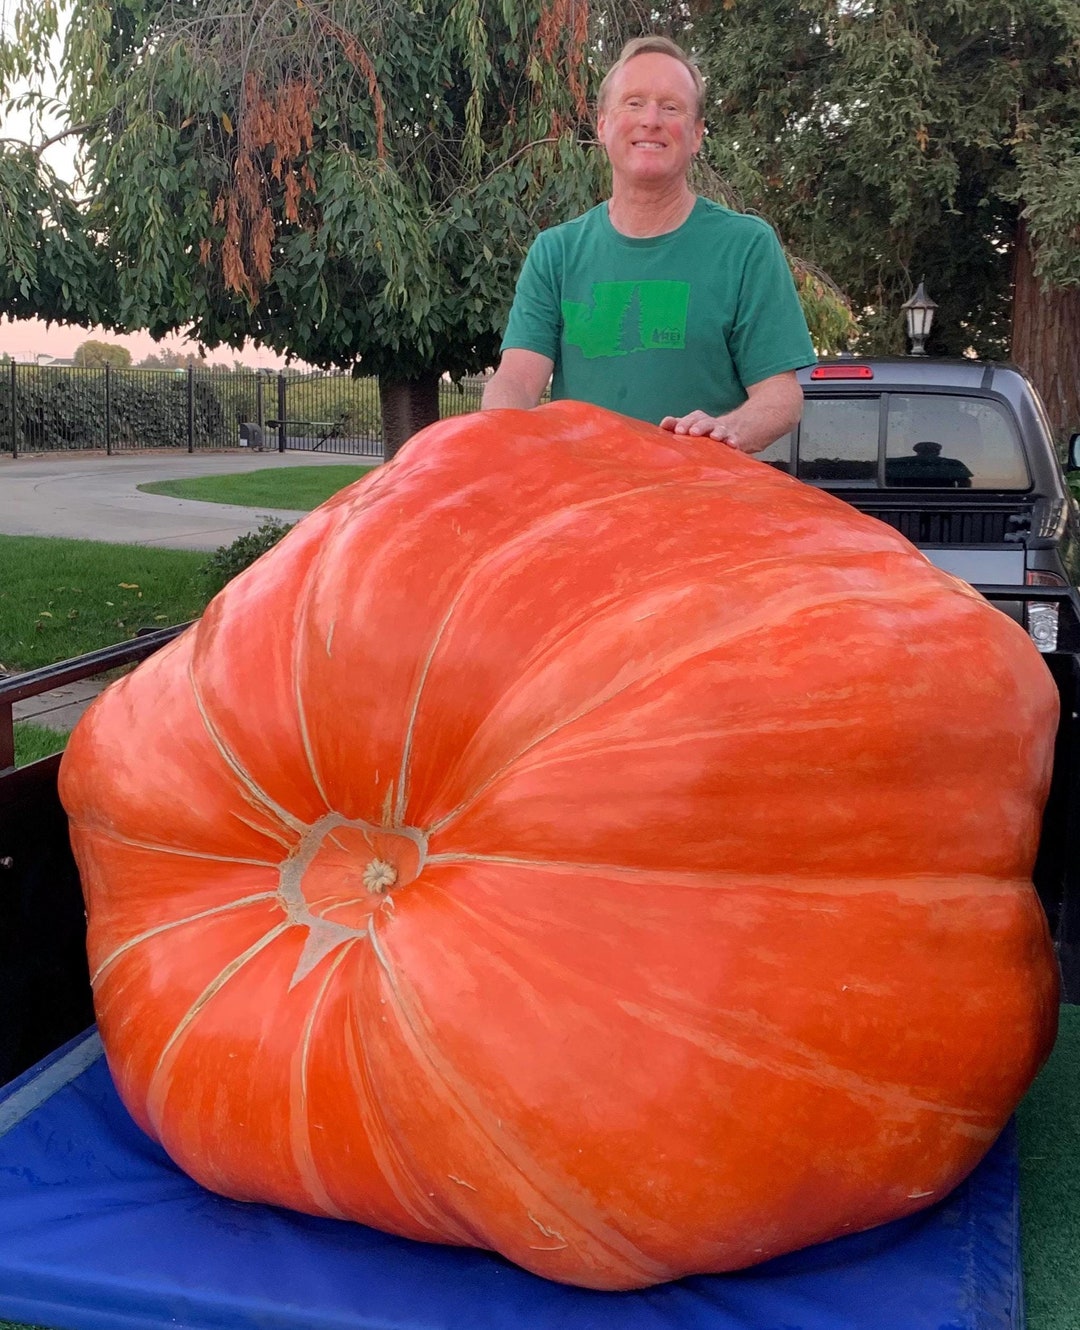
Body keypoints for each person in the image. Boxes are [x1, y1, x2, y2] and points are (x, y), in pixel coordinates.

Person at [481, 35, 816, 454]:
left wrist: (727, 429)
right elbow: (516, 378)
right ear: (603, 124)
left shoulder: (746, 247)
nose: (651, 120)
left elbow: (781, 398)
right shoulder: (556, 252)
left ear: (696, 135)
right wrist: (498, 431)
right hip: (585, 510)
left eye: (671, 107)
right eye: (634, 102)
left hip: (705, 508)